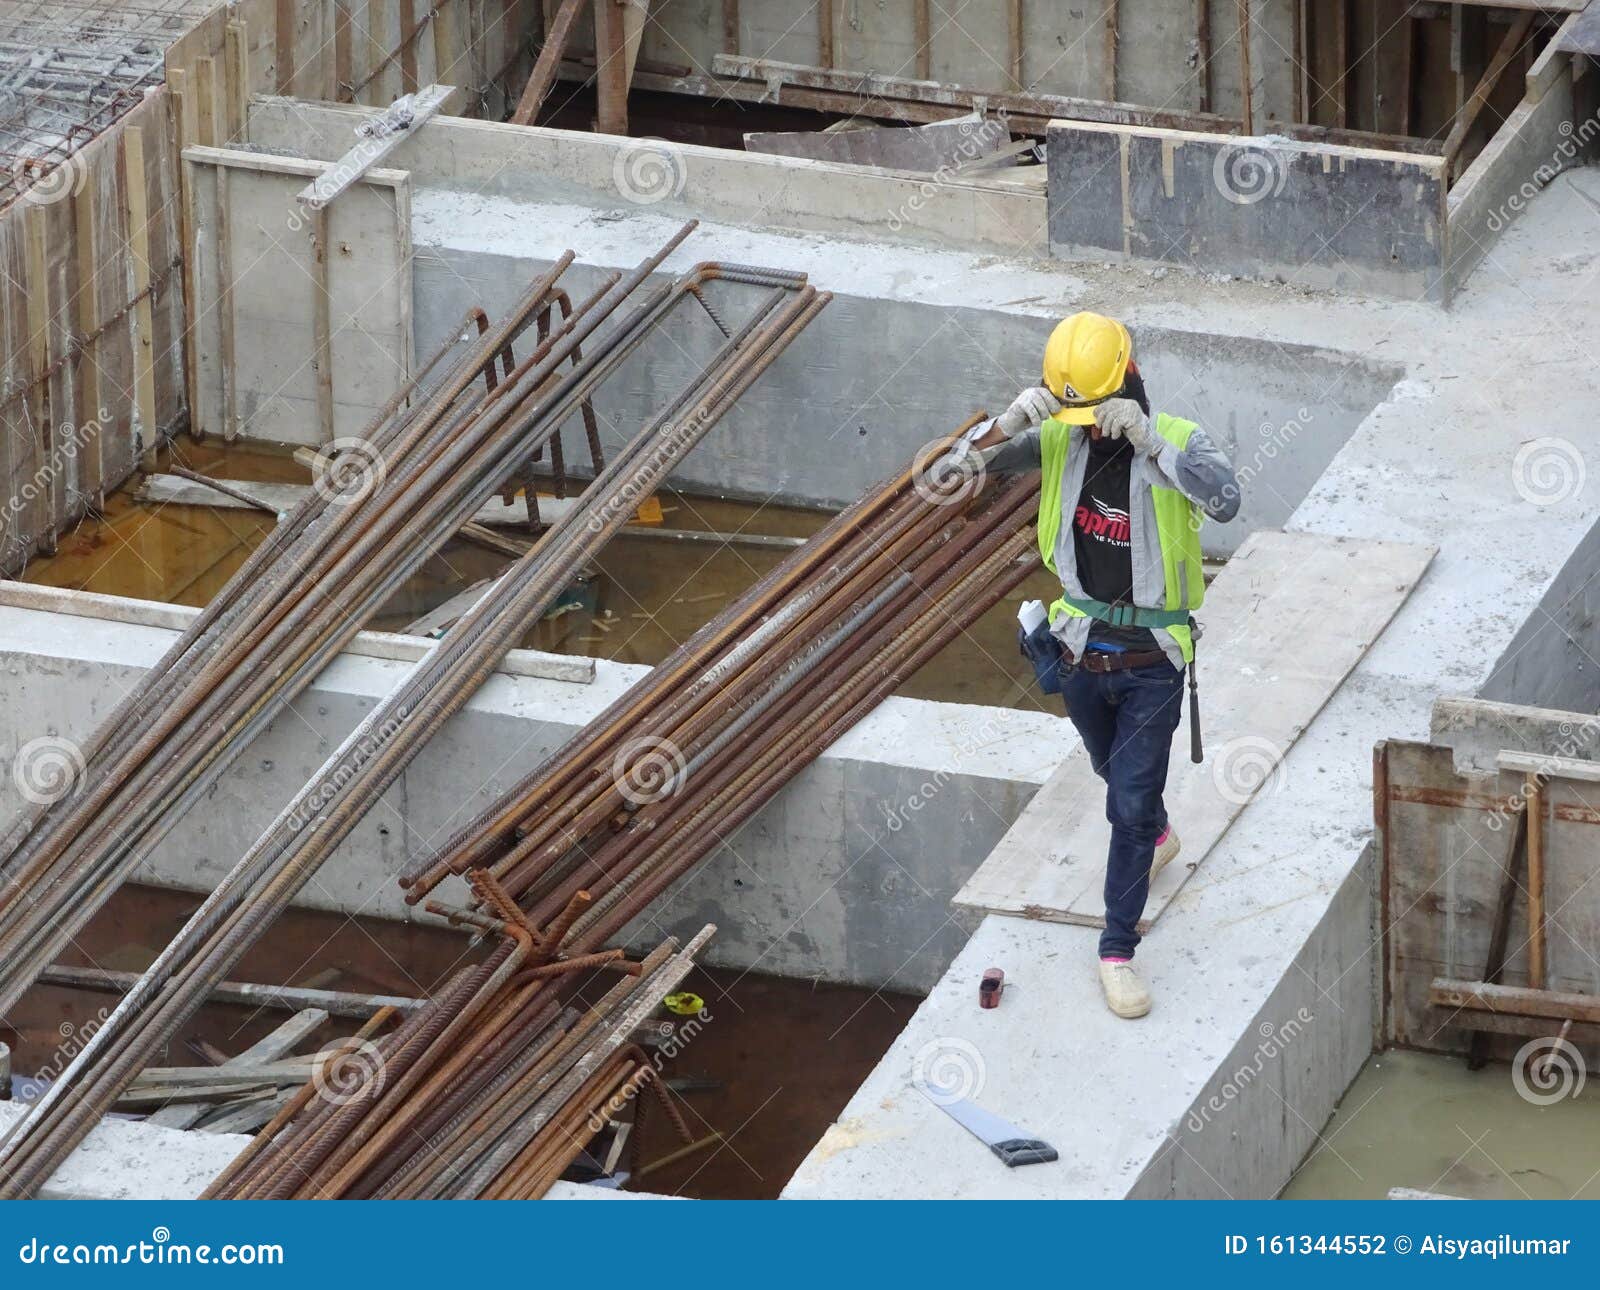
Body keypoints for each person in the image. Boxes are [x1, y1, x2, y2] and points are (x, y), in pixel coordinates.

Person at [958, 312, 1240, 1018]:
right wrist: (1001, 425)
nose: (1083, 426)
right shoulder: (1056, 437)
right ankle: (1158, 834)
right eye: (1071, 412)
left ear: (1126, 383)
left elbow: (1226, 498)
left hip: (1152, 659)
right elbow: (941, 473)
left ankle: (1116, 950)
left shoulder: (1173, 440)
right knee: (1111, 770)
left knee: (1127, 804)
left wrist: (1148, 443)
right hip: (1082, 651)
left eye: (1091, 412)